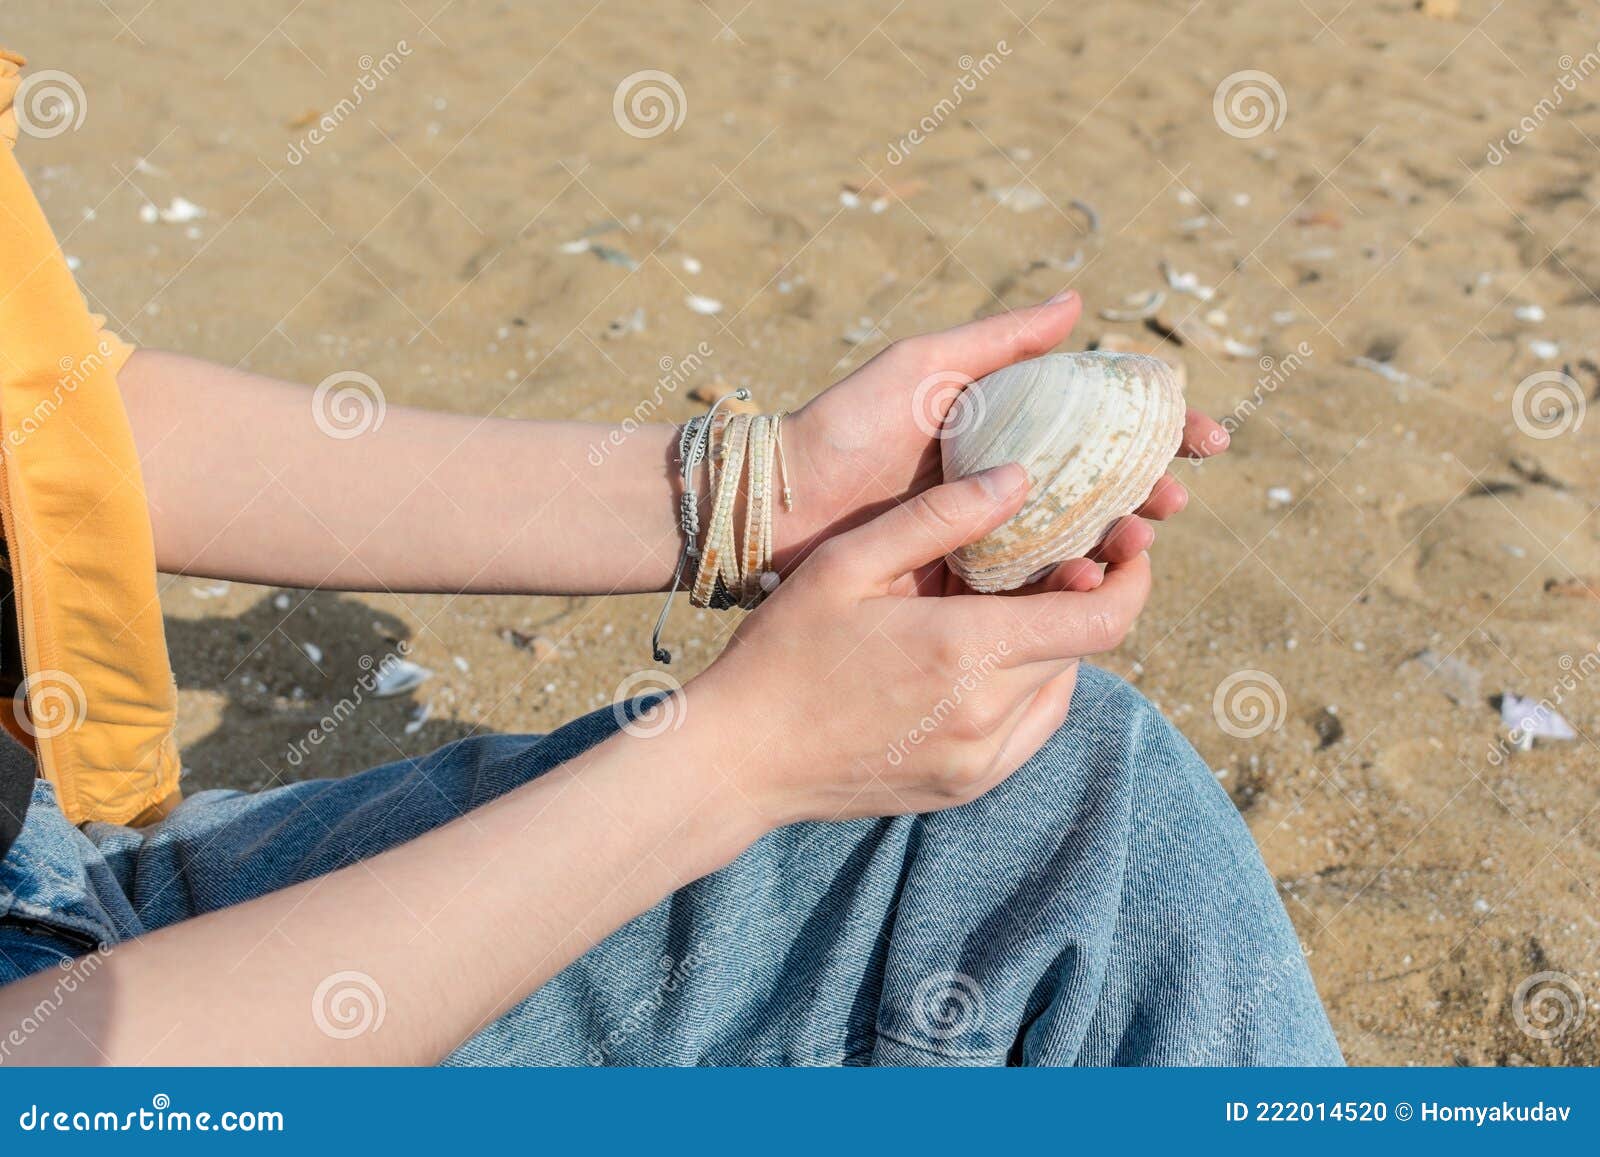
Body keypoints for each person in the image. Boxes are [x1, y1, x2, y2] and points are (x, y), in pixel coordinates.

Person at [0, 50, 1340, 1066]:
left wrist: (748, 494)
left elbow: (50, 416)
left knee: (1077, 793)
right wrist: (729, 766)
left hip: (58, 872)